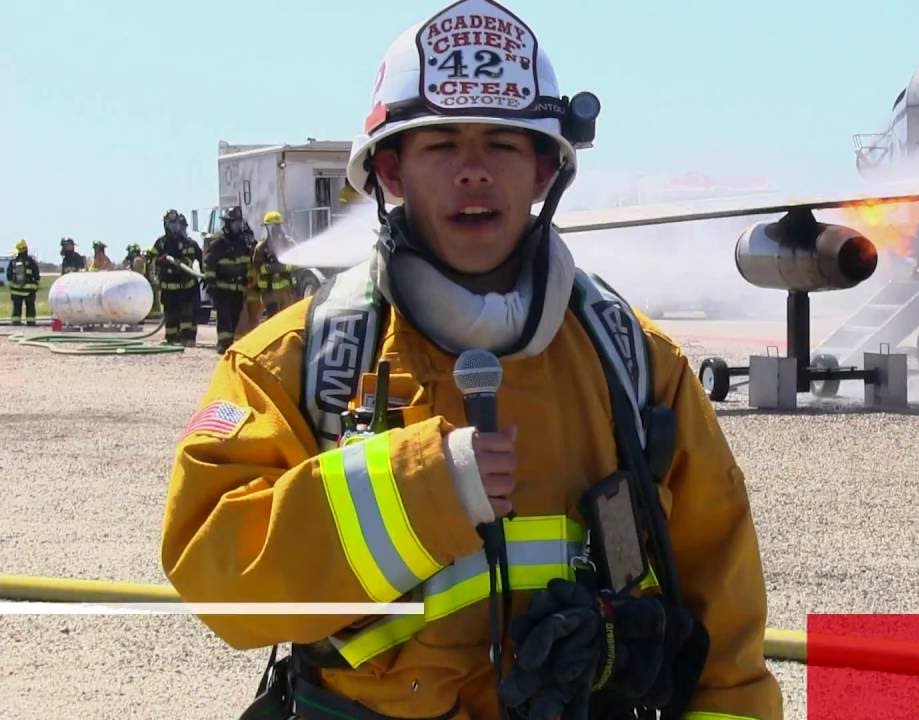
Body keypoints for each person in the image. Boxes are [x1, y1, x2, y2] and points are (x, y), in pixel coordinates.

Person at [160, 2, 781, 719]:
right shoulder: (296, 361)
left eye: (504, 145)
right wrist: (426, 487)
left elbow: (725, 625)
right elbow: (217, 577)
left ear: (546, 170)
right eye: (442, 146)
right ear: (390, 171)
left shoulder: (637, 363)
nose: (475, 171)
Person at [204, 206, 255, 353]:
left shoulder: (244, 242)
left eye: (239, 223)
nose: (238, 226)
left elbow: (252, 260)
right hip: (222, 289)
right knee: (224, 318)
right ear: (227, 224)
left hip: (239, 290)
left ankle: (233, 346)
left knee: (235, 318)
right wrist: (211, 286)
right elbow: (210, 265)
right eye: (234, 223)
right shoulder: (218, 242)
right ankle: (224, 345)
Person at [152, 209, 203, 346]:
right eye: (171, 223)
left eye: (176, 223)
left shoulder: (189, 243)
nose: (174, 227)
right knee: (171, 317)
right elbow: (151, 260)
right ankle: (171, 339)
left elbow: (200, 259)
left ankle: (187, 340)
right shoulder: (161, 243)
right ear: (166, 224)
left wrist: (206, 276)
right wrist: (158, 260)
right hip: (168, 290)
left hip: (186, 288)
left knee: (187, 315)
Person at [254, 210, 297, 319]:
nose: (276, 229)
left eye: (278, 226)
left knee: (286, 320)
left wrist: (286, 267)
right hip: (269, 293)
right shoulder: (261, 248)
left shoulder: (289, 243)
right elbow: (256, 268)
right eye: (272, 226)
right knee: (273, 321)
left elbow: (296, 264)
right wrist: (271, 268)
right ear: (267, 228)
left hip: (286, 292)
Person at [6, 240, 39, 326]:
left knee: (17, 306)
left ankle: (16, 321)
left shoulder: (13, 261)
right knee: (30, 306)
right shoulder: (30, 261)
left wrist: (12, 284)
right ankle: (31, 321)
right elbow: (36, 274)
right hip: (29, 290)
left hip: (16, 290)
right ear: (26, 248)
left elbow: (8, 275)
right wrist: (36, 284)